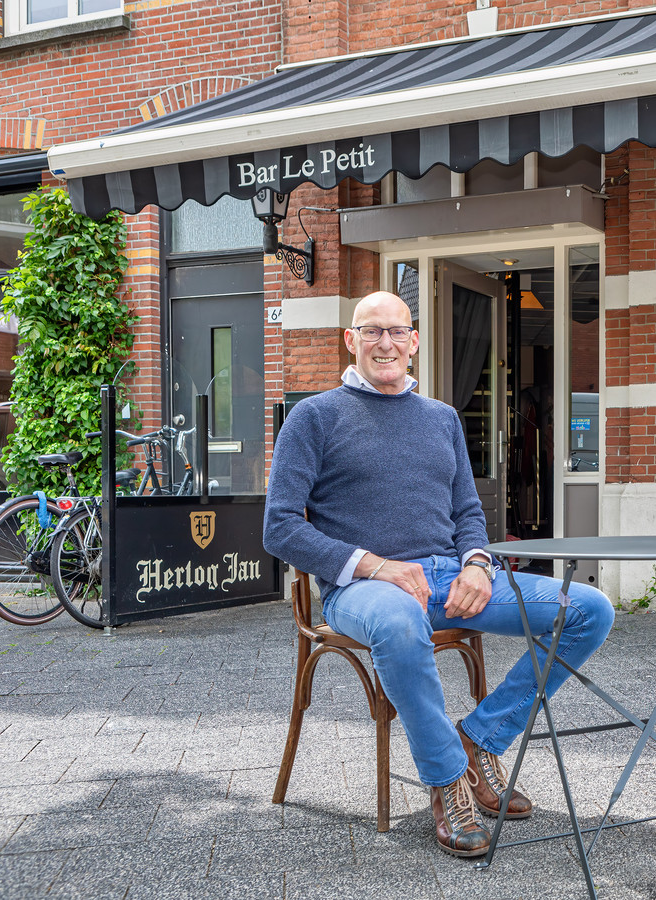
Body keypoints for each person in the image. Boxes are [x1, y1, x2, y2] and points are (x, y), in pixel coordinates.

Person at [264, 291, 614, 859]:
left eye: (397, 332)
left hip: (450, 578)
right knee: (401, 620)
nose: (385, 343)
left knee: (590, 610)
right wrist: (374, 565)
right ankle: (448, 780)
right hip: (364, 589)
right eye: (371, 331)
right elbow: (279, 528)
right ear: (350, 340)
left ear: (415, 342)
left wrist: (478, 563)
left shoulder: (442, 418)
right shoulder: (314, 417)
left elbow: (467, 513)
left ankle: (480, 739)